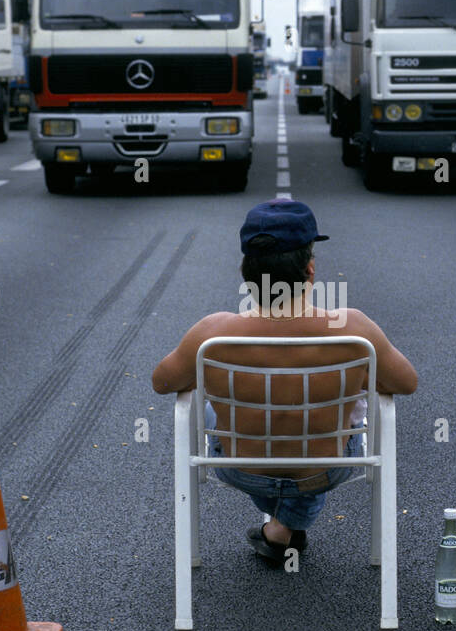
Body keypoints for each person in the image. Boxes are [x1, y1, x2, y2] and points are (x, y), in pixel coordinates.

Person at [152, 199, 418, 563]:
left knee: (211, 414)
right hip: (327, 468)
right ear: (309, 270)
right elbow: (406, 383)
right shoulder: (353, 329)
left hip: (242, 469)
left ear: (246, 272)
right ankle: (284, 527)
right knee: (343, 420)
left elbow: (163, 383)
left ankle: (281, 529)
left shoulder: (213, 333)